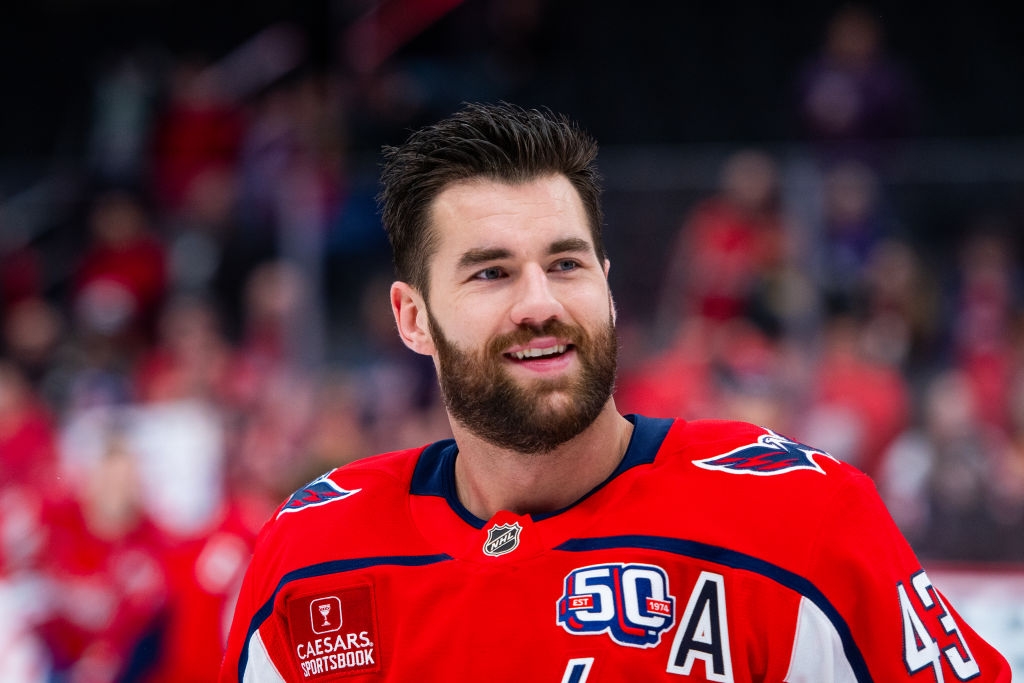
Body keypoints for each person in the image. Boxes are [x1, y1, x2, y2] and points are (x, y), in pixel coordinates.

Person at [219, 102, 1011, 682]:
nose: (541, 302)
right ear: (413, 318)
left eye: (565, 264)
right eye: (492, 272)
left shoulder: (799, 519)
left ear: (607, 286)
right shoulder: (311, 553)